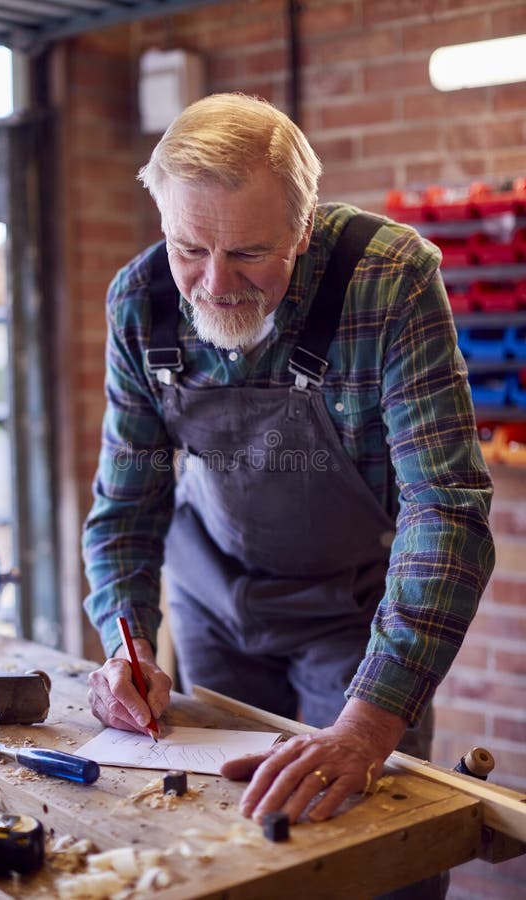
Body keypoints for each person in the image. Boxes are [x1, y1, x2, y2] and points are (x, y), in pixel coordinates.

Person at [82, 93, 494, 897]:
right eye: (189, 248)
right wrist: (126, 645)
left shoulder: (389, 283)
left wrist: (370, 723)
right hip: (214, 613)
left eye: (249, 255)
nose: (214, 284)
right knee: (224, 839)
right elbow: (126, 507)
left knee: (370, 849)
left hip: (351, 621)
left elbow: (446, 510)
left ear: (303, 231)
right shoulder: (140, 303)